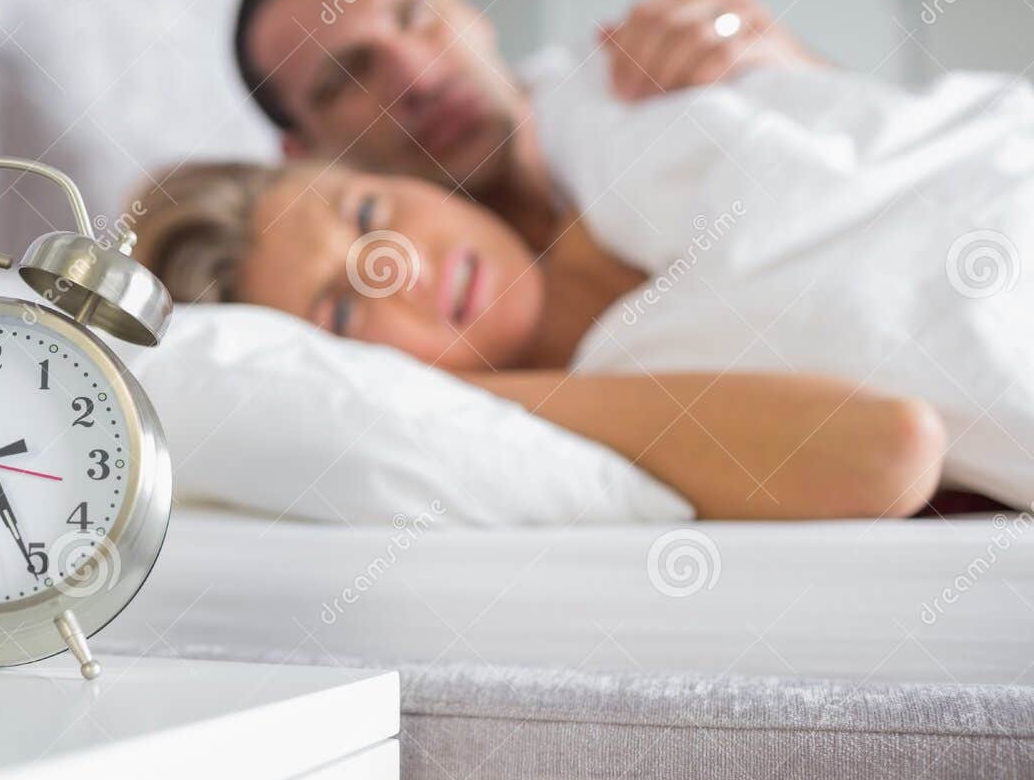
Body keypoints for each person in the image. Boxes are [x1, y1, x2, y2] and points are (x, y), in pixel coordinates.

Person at [126, 159, 946, 522]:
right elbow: (891, 447)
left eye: (370, 213)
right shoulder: (599, 411)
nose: (395, 265)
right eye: (342, 312)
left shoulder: (609, 156)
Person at [232, 0, 818, 254]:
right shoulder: (387, 314)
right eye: (347, 77)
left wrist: (786, 67)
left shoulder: (654, 72)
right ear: (306, 157)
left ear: (472, 10)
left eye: (416, 13)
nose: (419, 78)